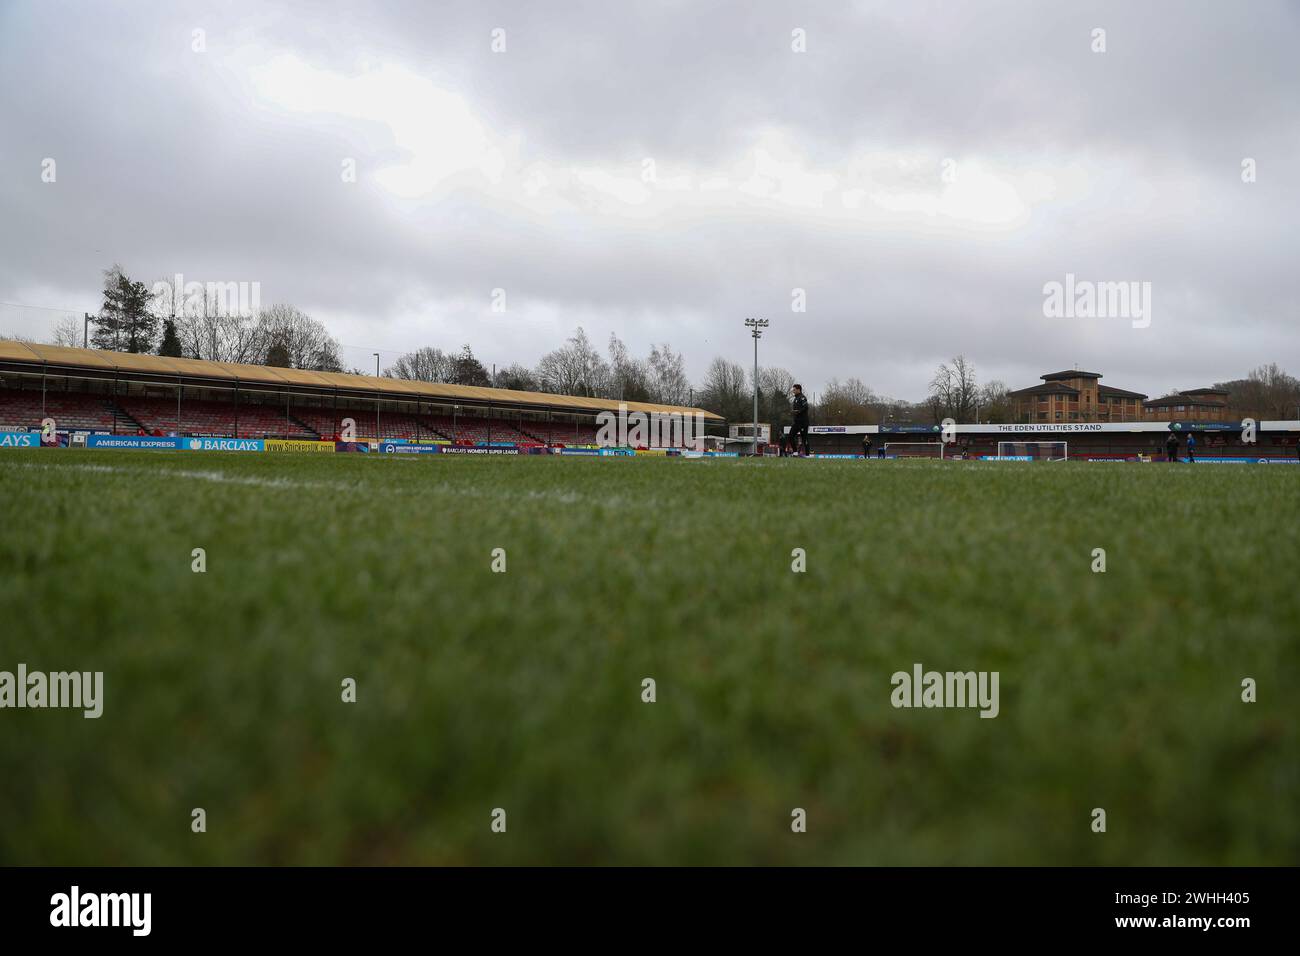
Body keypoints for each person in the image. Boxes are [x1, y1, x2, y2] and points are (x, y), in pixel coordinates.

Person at [789, 384, 810, 457]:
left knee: (804, 439)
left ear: (798, 390)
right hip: (796, 422)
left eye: (794, 390)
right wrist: (794, 412)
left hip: (803, 422)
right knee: (790, 436)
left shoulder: (802, 398)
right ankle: (795, 452)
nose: (793, 391)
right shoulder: (795, 399)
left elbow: (806, 407)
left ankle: (807, 455)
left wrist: (798, 411)